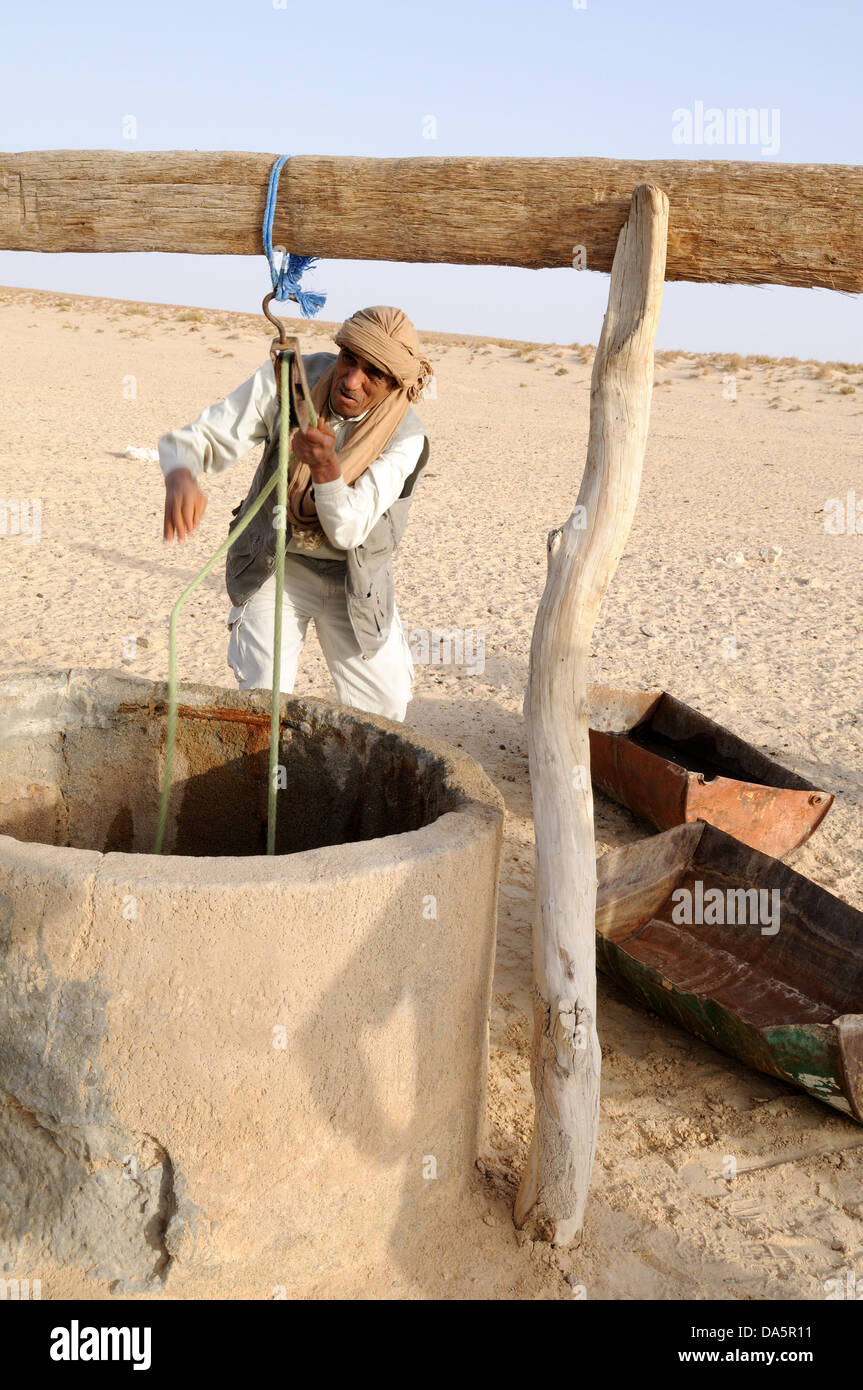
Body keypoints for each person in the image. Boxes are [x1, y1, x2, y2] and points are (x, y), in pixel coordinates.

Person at [158, 306, 431, 722]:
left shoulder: (406, 438)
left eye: (373, 373)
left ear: (394, 384)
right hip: (277, 561)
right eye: (348, 360)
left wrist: (325, 469)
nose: (351, 380)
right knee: (264, 703)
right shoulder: (290, 379)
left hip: (354, 581)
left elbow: (347, 529)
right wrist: (181, 473)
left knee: (385, 707)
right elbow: (201, 436)